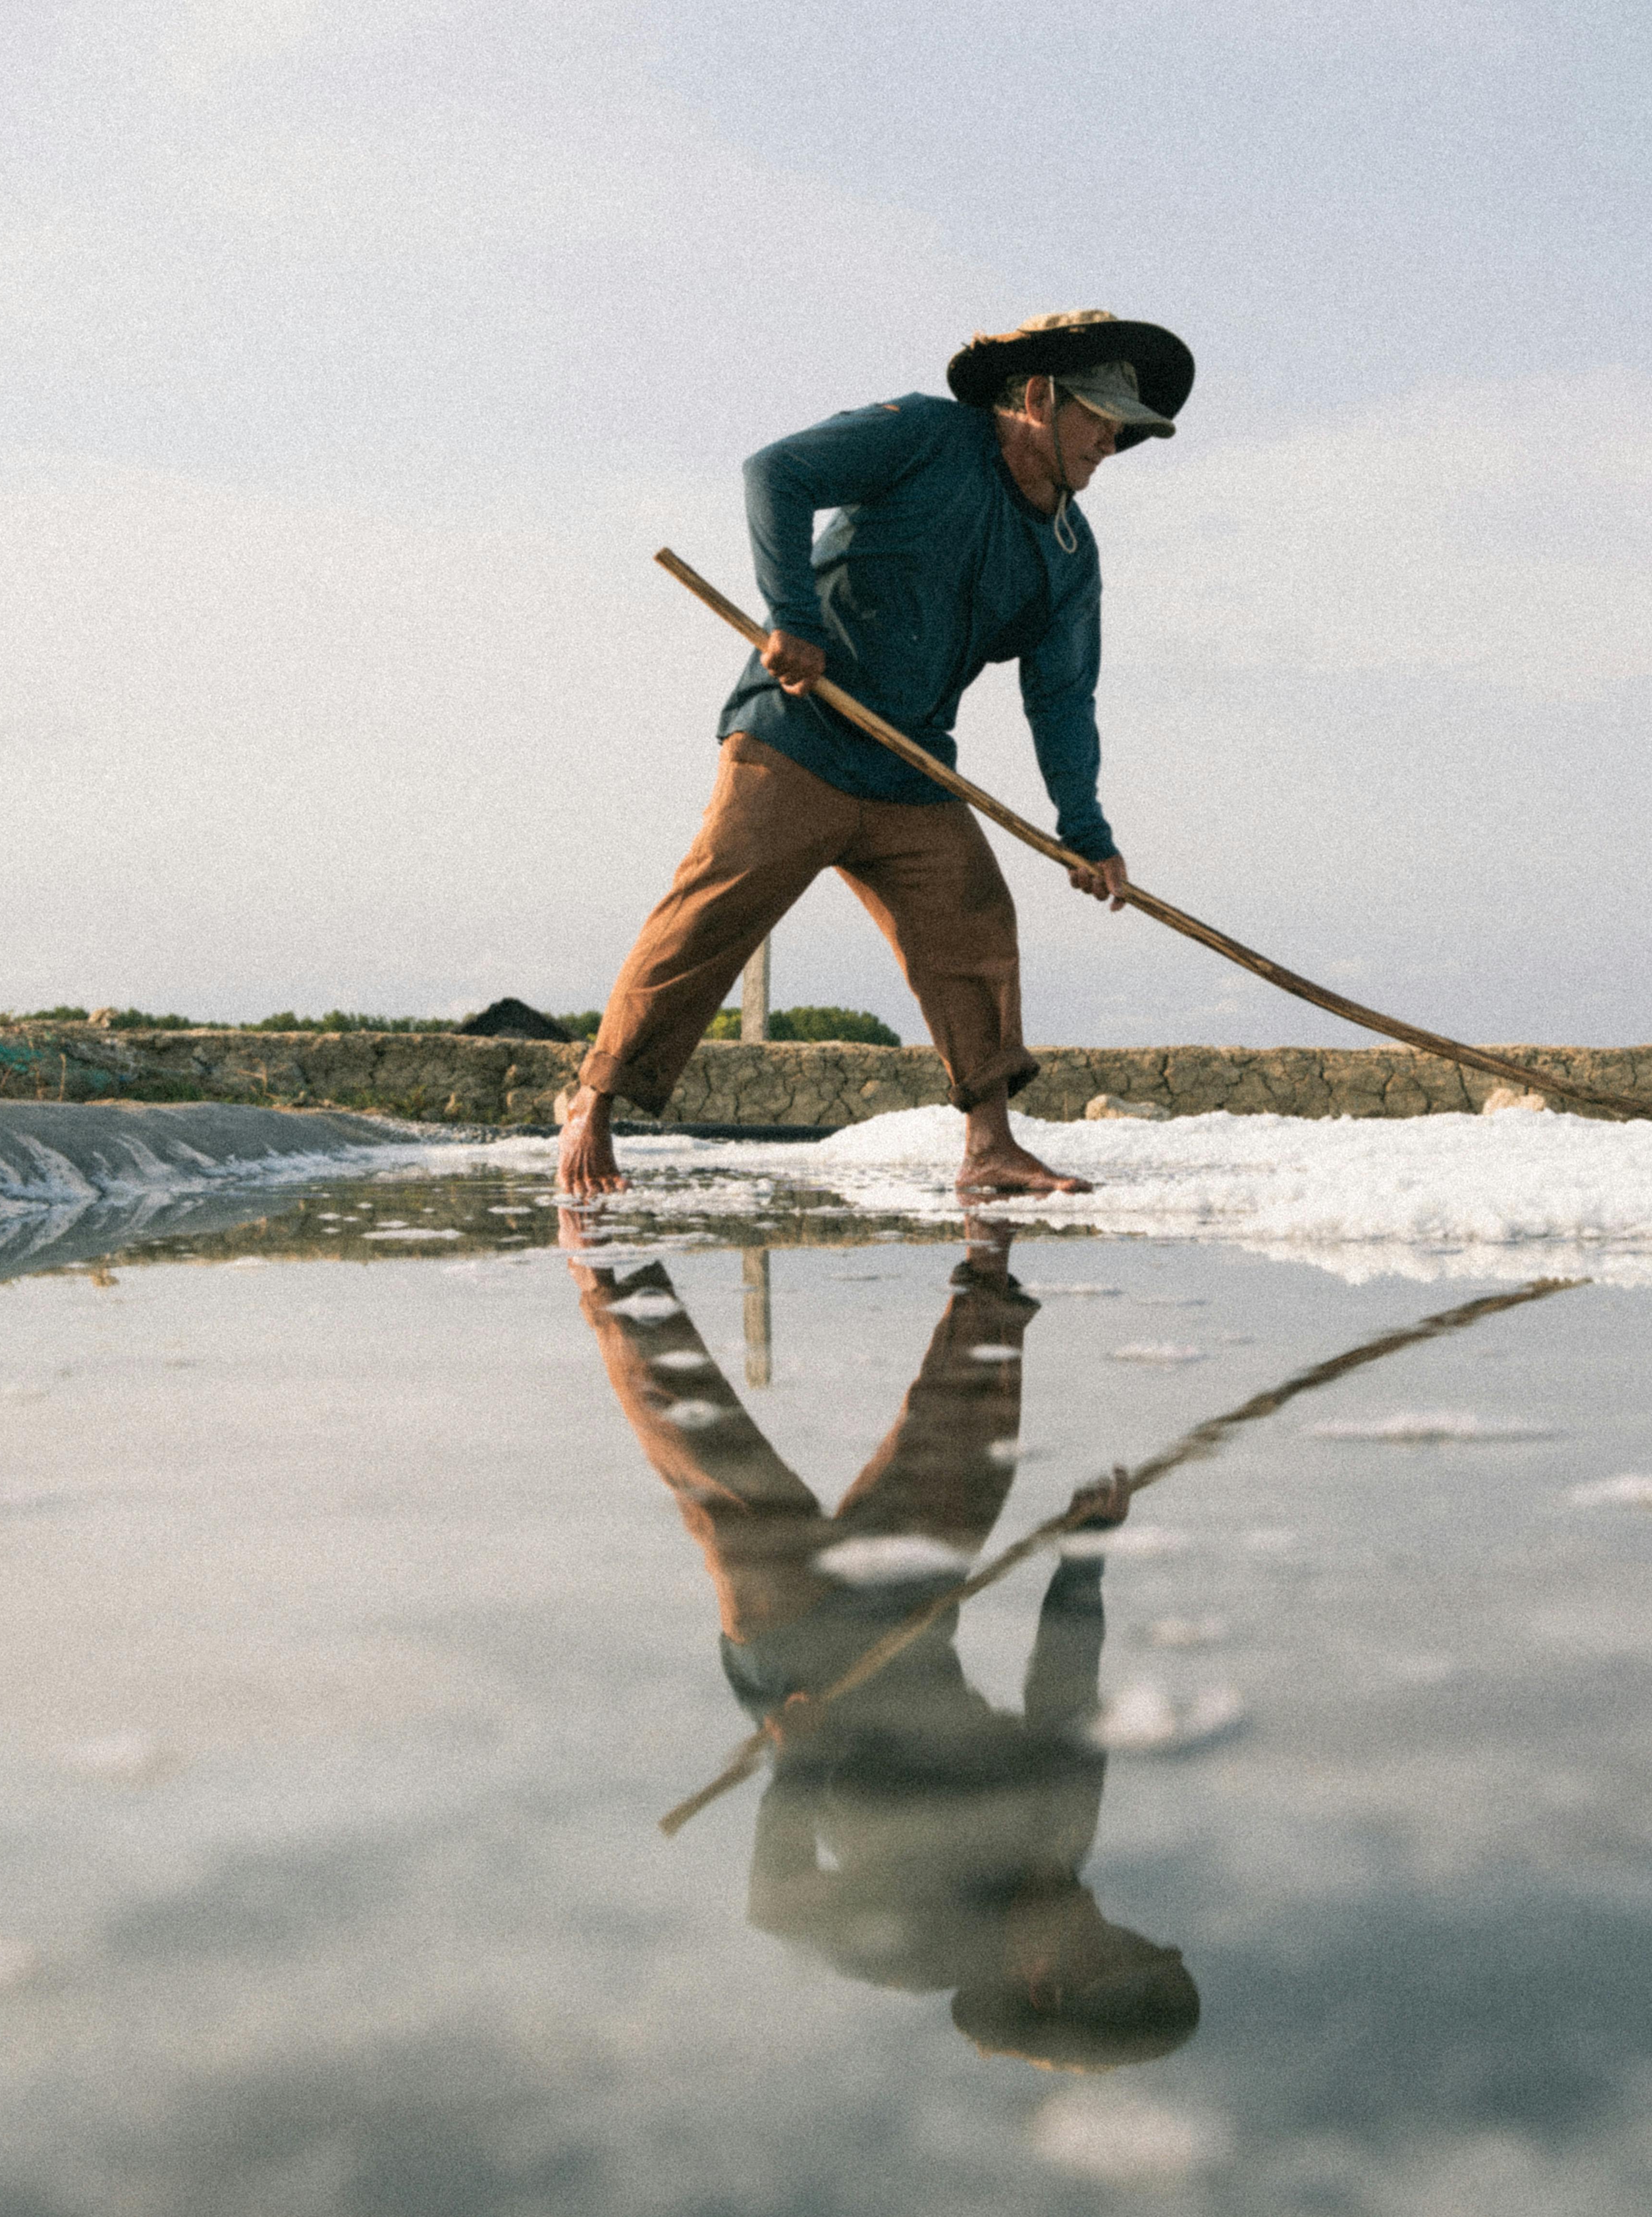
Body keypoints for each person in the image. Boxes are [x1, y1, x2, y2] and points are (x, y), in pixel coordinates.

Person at [557, 310, 1195, 1199]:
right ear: (1040, 398)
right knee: (709, 916)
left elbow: (1061, 698)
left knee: (975, 921)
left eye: (1125, 427)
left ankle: (990, 1144)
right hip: (798, 732)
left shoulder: (1067, 553)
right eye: (1100, 416)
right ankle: (593, 1102)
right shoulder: (929, 435)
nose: (1113, 440)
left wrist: (1085, 830)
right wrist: (793, 618)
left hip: (910, 768)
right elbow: (775, 473)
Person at [563, 1214, 1202, 2070]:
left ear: (1047, 1983)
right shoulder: (1060, 1846)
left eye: (1118, 1947)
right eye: (1135, 1936)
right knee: (971, 1460)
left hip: (799, 1663)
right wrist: (1083, 1552)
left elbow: (780, 1906)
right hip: (905, 1617)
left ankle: (599, 1253)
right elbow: (1063, 1696)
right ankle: (991, 1245)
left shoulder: (920, 1954)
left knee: (723, 1472)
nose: (1113, 1921)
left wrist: (797, 1769)